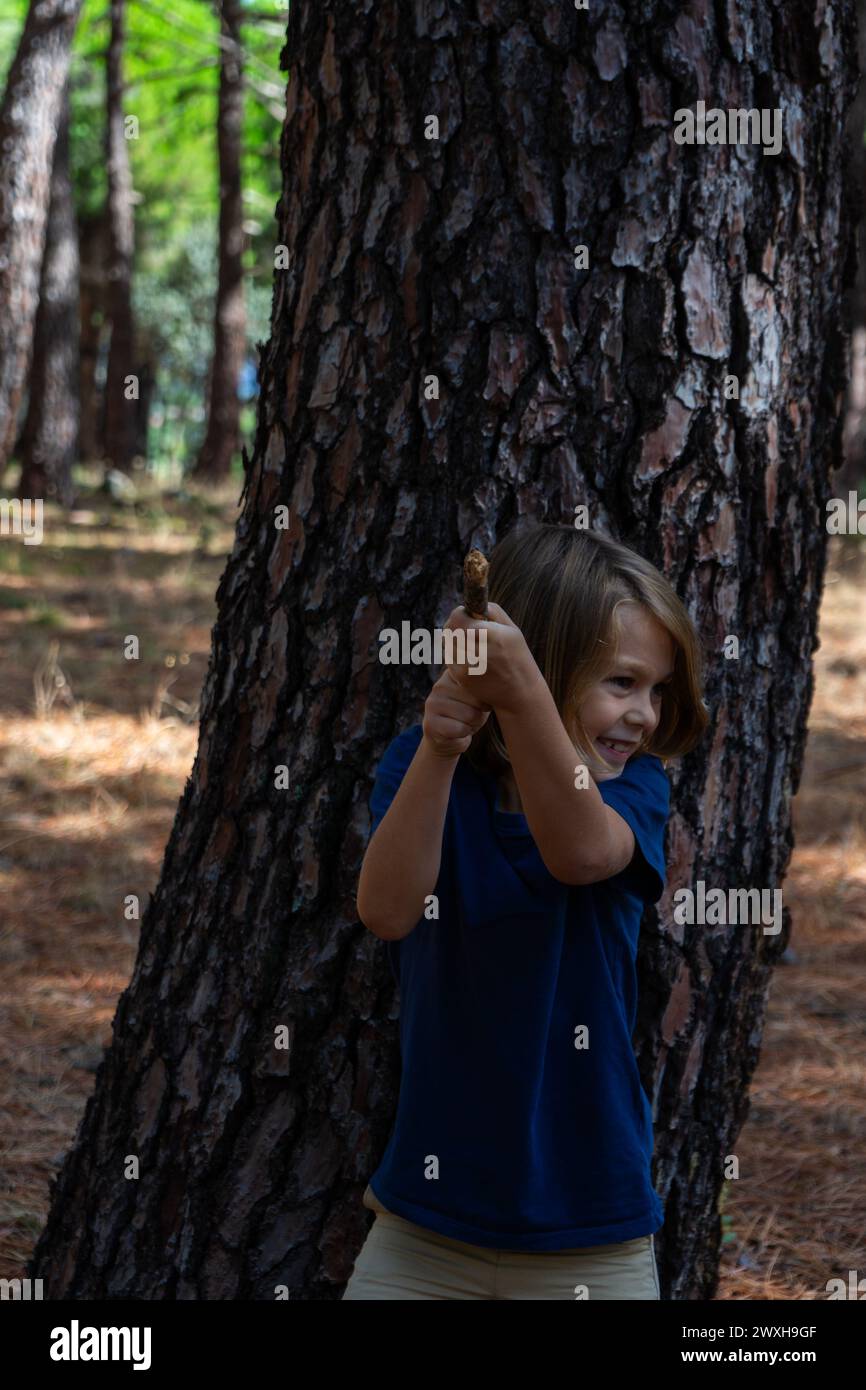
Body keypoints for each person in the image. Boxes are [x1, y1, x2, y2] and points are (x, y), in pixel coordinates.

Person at [343, 524, 709, 1300]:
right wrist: (442, 749)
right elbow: (386, 911)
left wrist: (519, 695)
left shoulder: (630, 791)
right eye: (621, 682)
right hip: (426, 1220)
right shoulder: (424, 767)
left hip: (591, 1230)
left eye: (659, 691)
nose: (644, 715)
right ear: (546, 661)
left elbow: (577, 854)